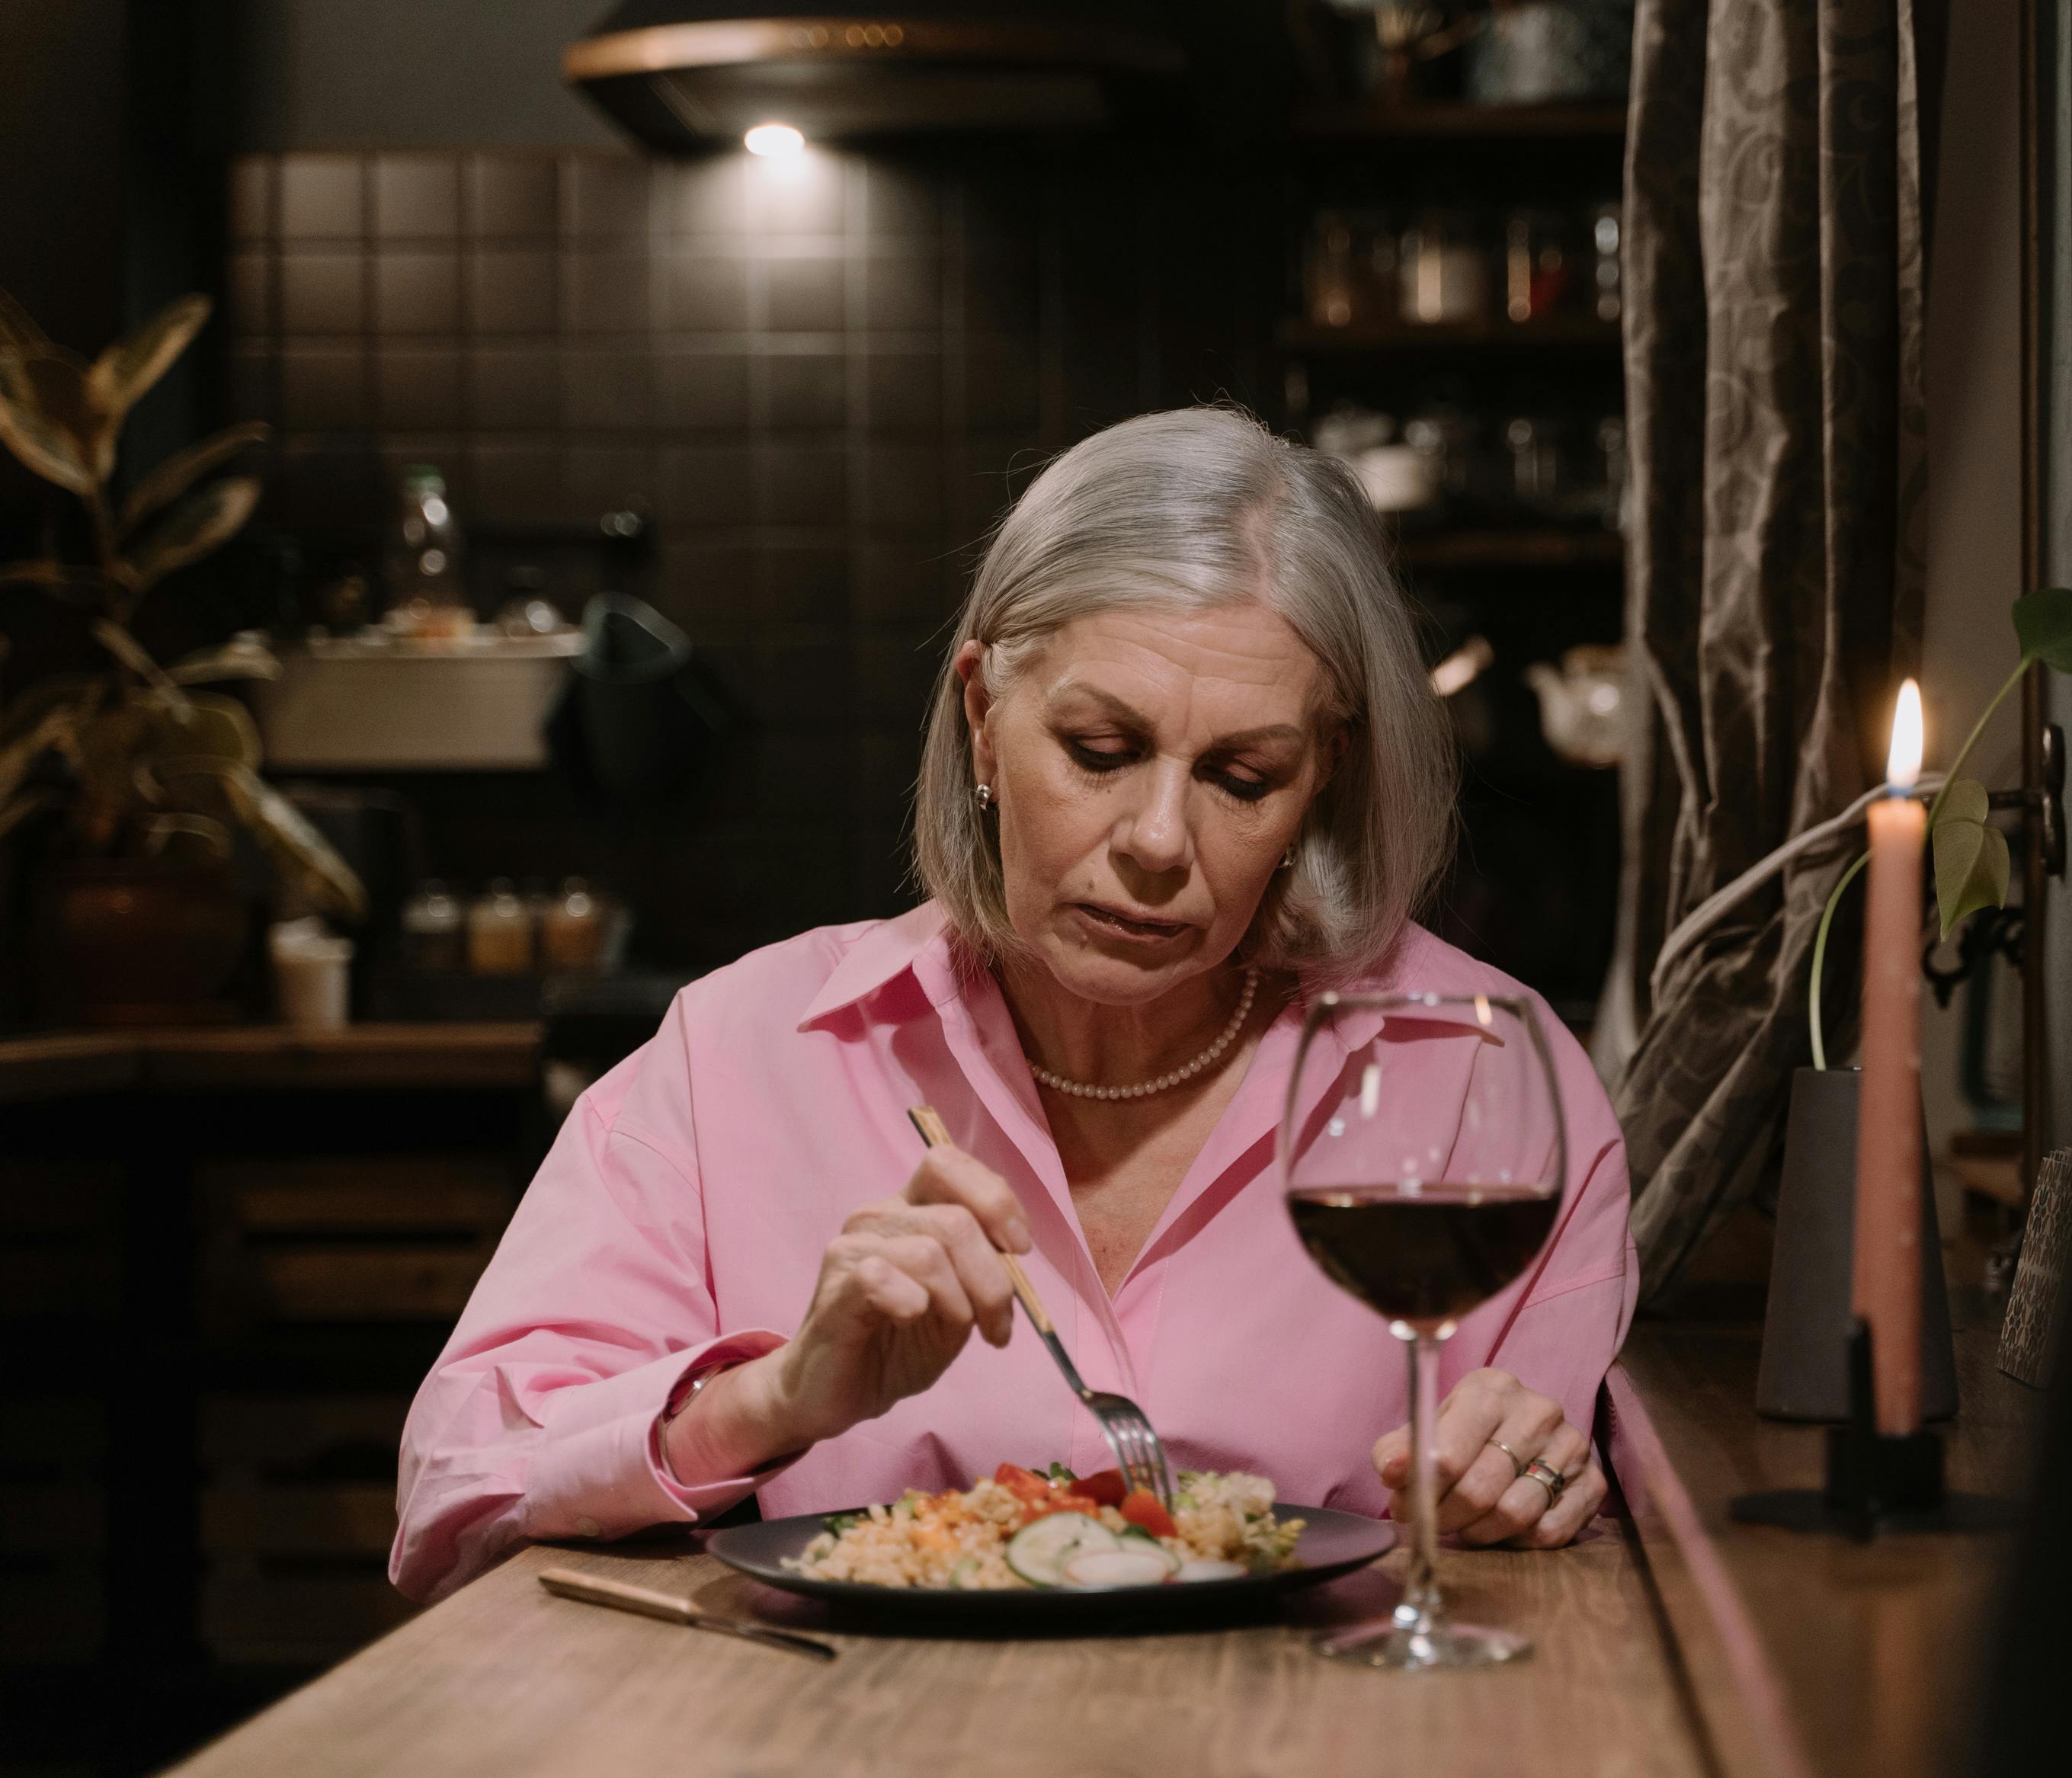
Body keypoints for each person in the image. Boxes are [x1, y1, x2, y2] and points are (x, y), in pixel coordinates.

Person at [391, 408, 1637, 1602]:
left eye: (1244, 777)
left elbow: (1555, 1552)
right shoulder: (739, 1057)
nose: (1159, 839)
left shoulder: (1487, 1077)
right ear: (984, 718)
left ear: (1324, 781)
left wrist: (1530, 1477)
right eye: (1099, 750)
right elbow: (452, 1496)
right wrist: (770, 1401)